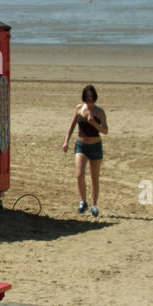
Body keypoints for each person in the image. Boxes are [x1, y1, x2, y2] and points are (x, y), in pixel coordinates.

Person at [63, 84, 108, 216]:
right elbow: (71, 126)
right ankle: (83, 201)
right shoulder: (78, 108)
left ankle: (94, 204)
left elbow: (105, 130)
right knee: (79, 174)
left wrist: (94, 123)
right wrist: (66, 141)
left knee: (94, 177)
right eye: (87, 96)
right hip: (81, 144)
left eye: (91, 96)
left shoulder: (99, 112)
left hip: (95, 145)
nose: (89, 99)